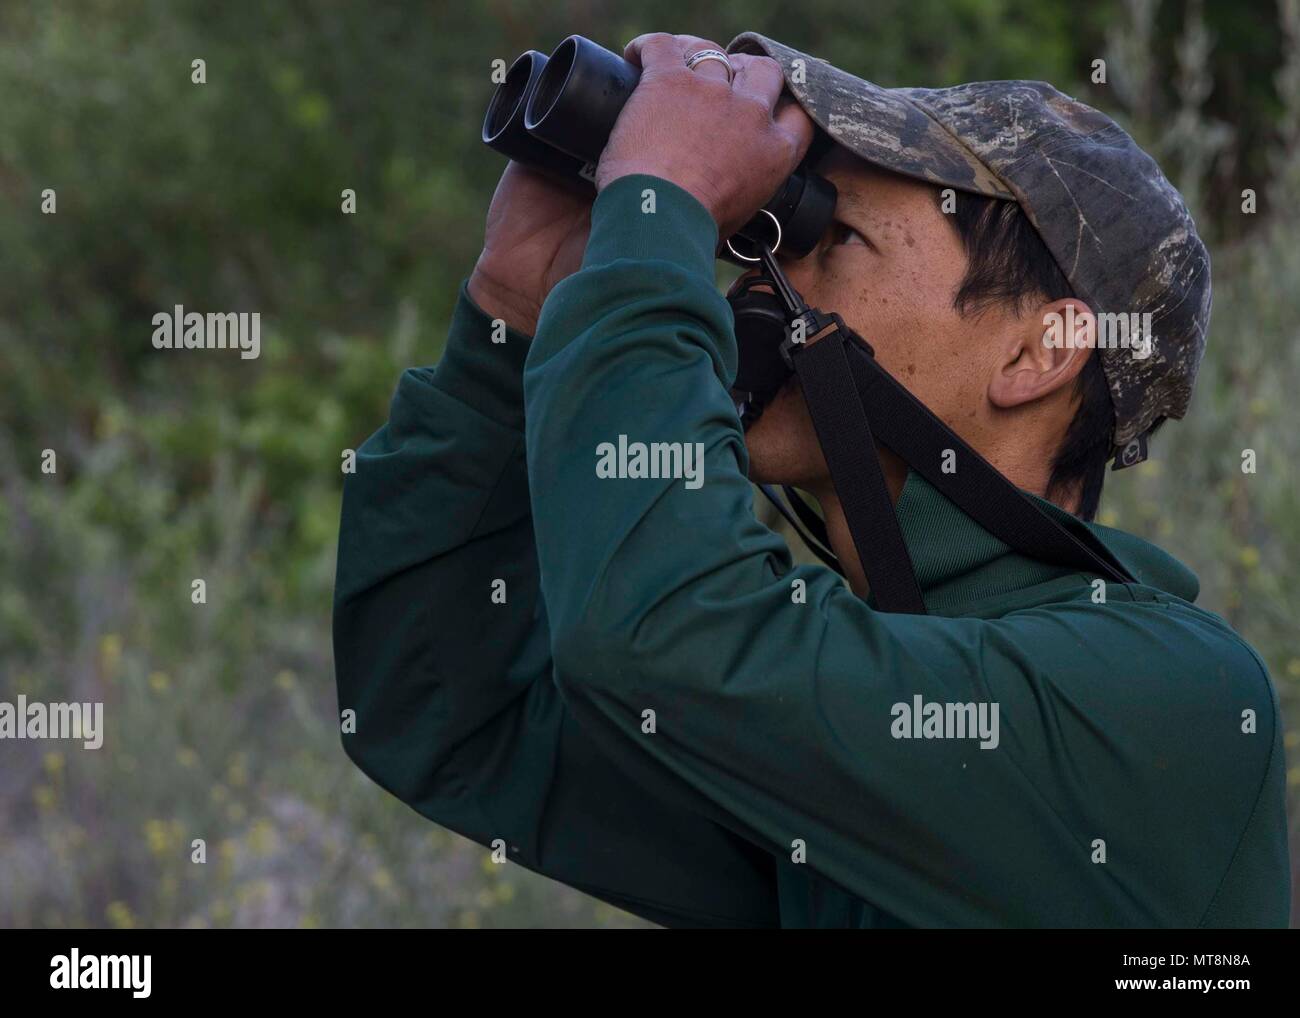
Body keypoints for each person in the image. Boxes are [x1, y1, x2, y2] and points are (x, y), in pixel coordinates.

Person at [332, 32, 1290, 927]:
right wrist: (514, 318)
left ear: (1039, 351)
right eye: (767, 227)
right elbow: (445, 704)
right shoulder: (847, 710)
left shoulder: (1169, 701)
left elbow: (667, 640)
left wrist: (657, 214)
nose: (757, 271)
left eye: (832, 239)